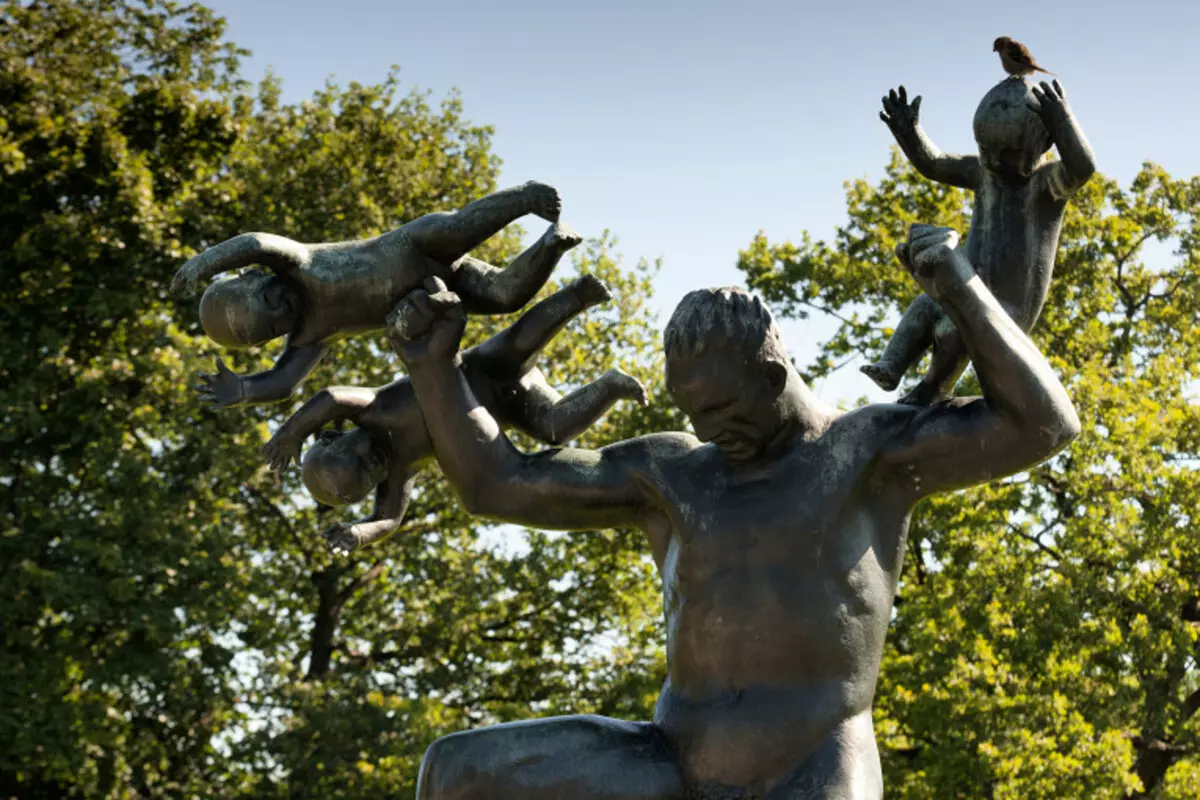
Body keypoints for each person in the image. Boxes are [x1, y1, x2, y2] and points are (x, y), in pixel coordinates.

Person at [388, 224, 1080, 799]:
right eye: (694, 414)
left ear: (774, 378)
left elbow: (1041, 426)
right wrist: (432, 368)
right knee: (456, 772)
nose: (710, 430)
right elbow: (496, 485)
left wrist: (961, 287)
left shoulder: (868, 452)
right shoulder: (673, 473)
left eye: (722, 411)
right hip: (670, 762)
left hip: (812, 767)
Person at [260, 275, 646, 554]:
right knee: (556, 429)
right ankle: (611, 385)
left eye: (357, 456)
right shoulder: (399, 471)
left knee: (520, 342)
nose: (372, 461)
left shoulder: (371, 409)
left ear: (332, 437)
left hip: (479, 370)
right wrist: (360, 534)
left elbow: (328, 397)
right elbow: (390, 520)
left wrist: (291, 433)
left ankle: (578, 295)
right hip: (507, 409)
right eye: (367, 474)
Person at [169, 181, 576, 407]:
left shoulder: (297, 262)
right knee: (504, 296)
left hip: (416, 246)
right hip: (436, 288)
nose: (282, 310)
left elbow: (256, 241)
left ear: (253, 277)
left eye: (267, 301)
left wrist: (202, 265)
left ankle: (524, 198)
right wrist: (243, 389)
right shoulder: (312, 335)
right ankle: (551, 245)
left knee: (460, 228)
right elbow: (283, 382)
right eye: (272, 325)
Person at [866, 79, 1094, 405]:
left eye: (1009, 154)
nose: (995, 161)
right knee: (924, 307)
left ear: (1043, 145)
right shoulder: (983, 173)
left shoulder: (1046, 186)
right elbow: (935, 163)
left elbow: (1083, 166)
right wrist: (909, 132)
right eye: (987, 151)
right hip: (967, 286)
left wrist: (1063, 120)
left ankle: (931, 389)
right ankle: (891, 366)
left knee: (951, 331)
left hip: (1008, 308)